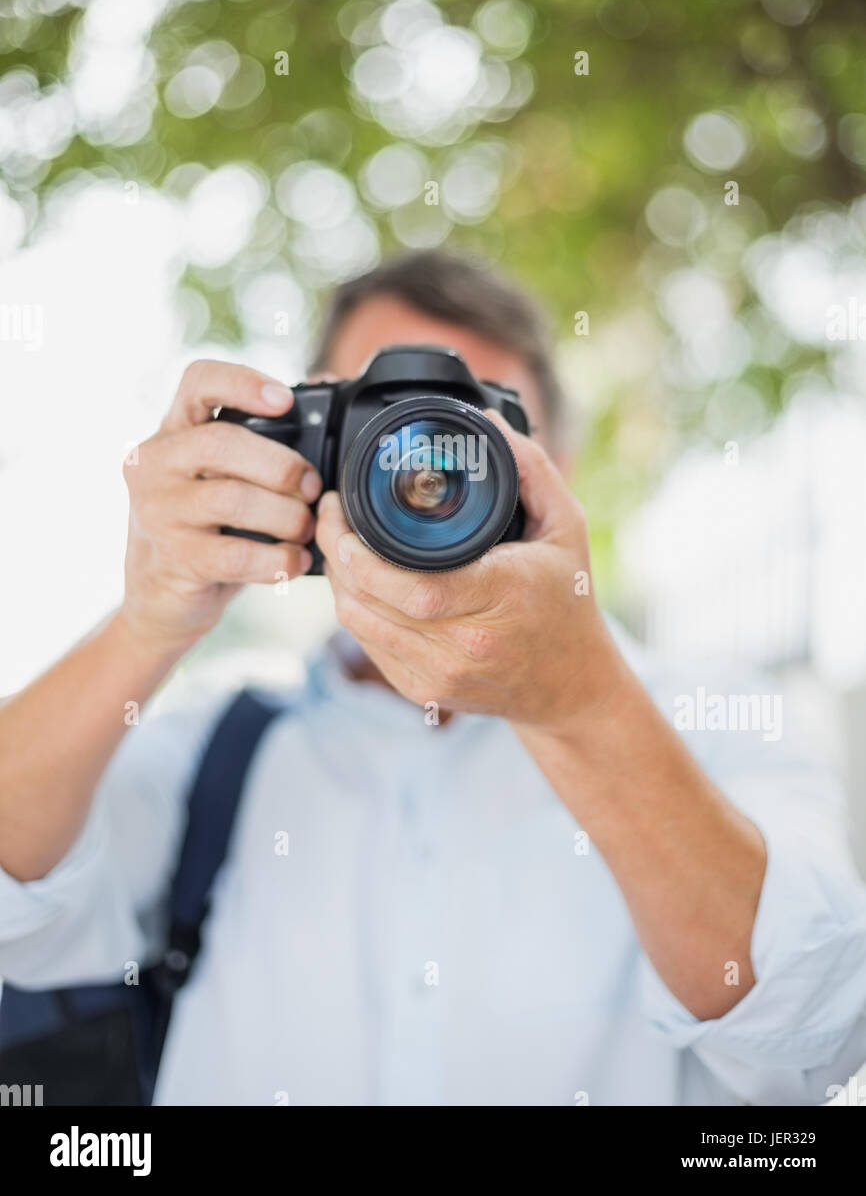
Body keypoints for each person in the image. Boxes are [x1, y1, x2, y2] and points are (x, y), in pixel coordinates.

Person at [0, 250, 864, 1106]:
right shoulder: (216, 755)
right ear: (308, 453)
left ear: (553, 459)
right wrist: (149, 620)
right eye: (378, 421)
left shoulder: (717, 718)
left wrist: (580, 706)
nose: (422, 470)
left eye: (468, 428)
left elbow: (815, 1037)